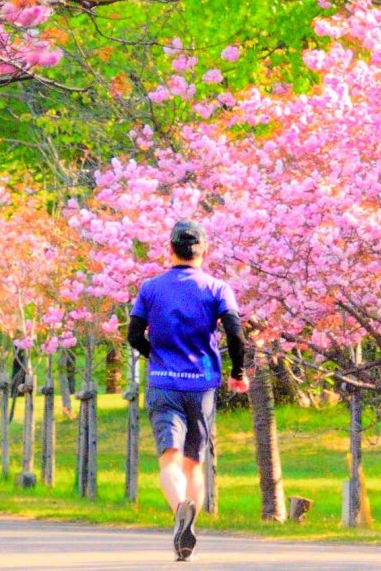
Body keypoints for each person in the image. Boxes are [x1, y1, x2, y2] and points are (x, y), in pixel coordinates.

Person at [127, 218, 249, 561]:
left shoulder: (150, 288)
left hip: (163, 383)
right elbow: (236, 334)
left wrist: (157, 358)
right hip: (202, 385)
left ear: (170, 249)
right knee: (194, 463)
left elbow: (134, 335)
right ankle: (190, 525)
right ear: (204, 251)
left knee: (169, 459)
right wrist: (238, 372)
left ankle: (179, 509)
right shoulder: (218, 288)